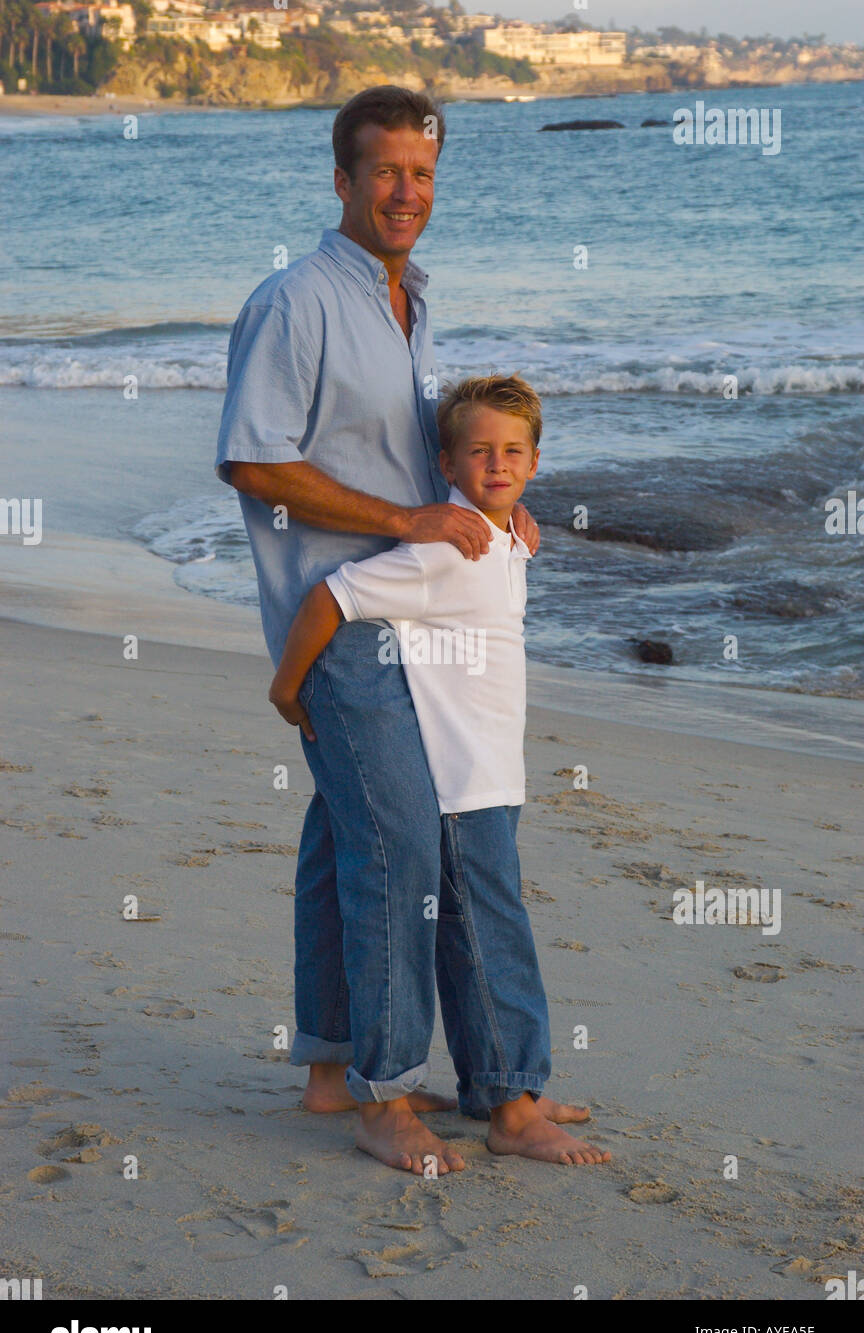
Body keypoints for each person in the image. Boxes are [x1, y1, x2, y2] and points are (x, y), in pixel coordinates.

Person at [216, 85, 590, 1173]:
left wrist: (487, 503)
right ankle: (390, 1092)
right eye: (384, 171)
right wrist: (406, 519)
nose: (405, 192)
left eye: (422, 172)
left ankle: (333, 1072)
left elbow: (411, 455)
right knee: (400, 849)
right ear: (341, 180)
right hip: (343, 617)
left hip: (412, 613)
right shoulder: (297, 300)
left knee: (347, 837)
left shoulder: (408, 299)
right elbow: (255, 459)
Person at [270, 373, 612, 1169]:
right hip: (458, 778)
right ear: (446, 464)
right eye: (479, 451)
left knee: (486, 929)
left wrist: (518, 529)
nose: (497, 464)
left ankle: (505, 1086)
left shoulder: (510, 540)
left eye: (513, 452)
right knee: (492, 928)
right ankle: (512, 1108)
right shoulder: (440, 549)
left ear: (534, 463)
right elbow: (332, 594)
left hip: (496, 770)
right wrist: (287, 687)